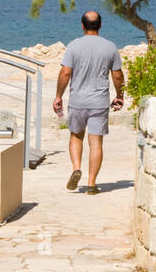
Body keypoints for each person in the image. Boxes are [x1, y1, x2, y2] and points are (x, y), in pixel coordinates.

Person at [52, 11, 125, 194]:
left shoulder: (74, 46)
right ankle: (92, 184)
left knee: (76, 136)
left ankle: (76, 168)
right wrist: (120, 96)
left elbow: (65, 73)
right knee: (96, 142)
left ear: (82, 25)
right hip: (99, 102)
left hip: (78, 101)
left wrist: (58, 96)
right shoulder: (110, 47)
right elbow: (117, 75)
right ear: (100, 25)